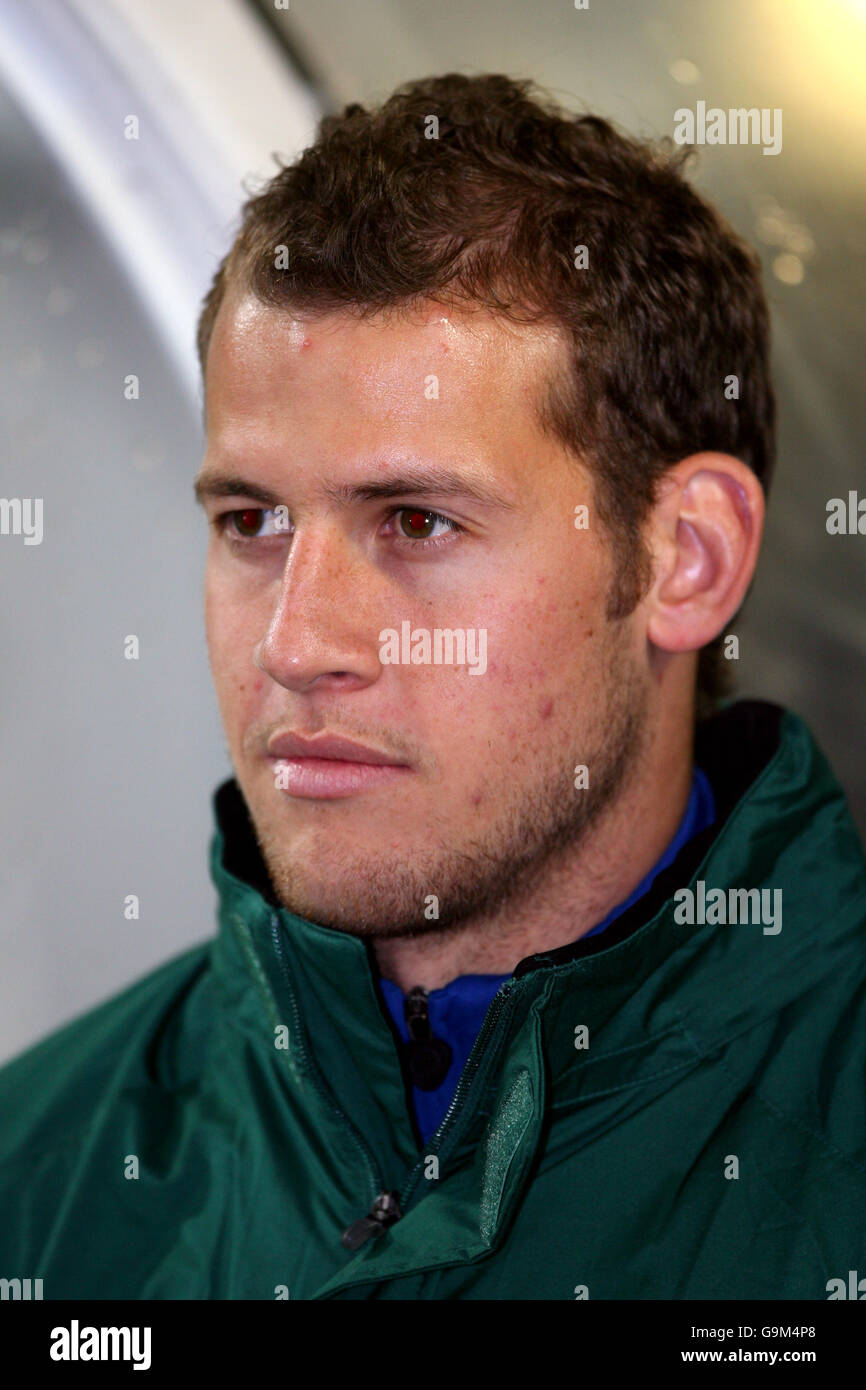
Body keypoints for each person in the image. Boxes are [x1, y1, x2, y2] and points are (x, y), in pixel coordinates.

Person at [1, 73, 864, 1301]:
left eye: (414, 519)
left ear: (687, 558)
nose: (294, 644)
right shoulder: (38, 1182)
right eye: (251, 520)